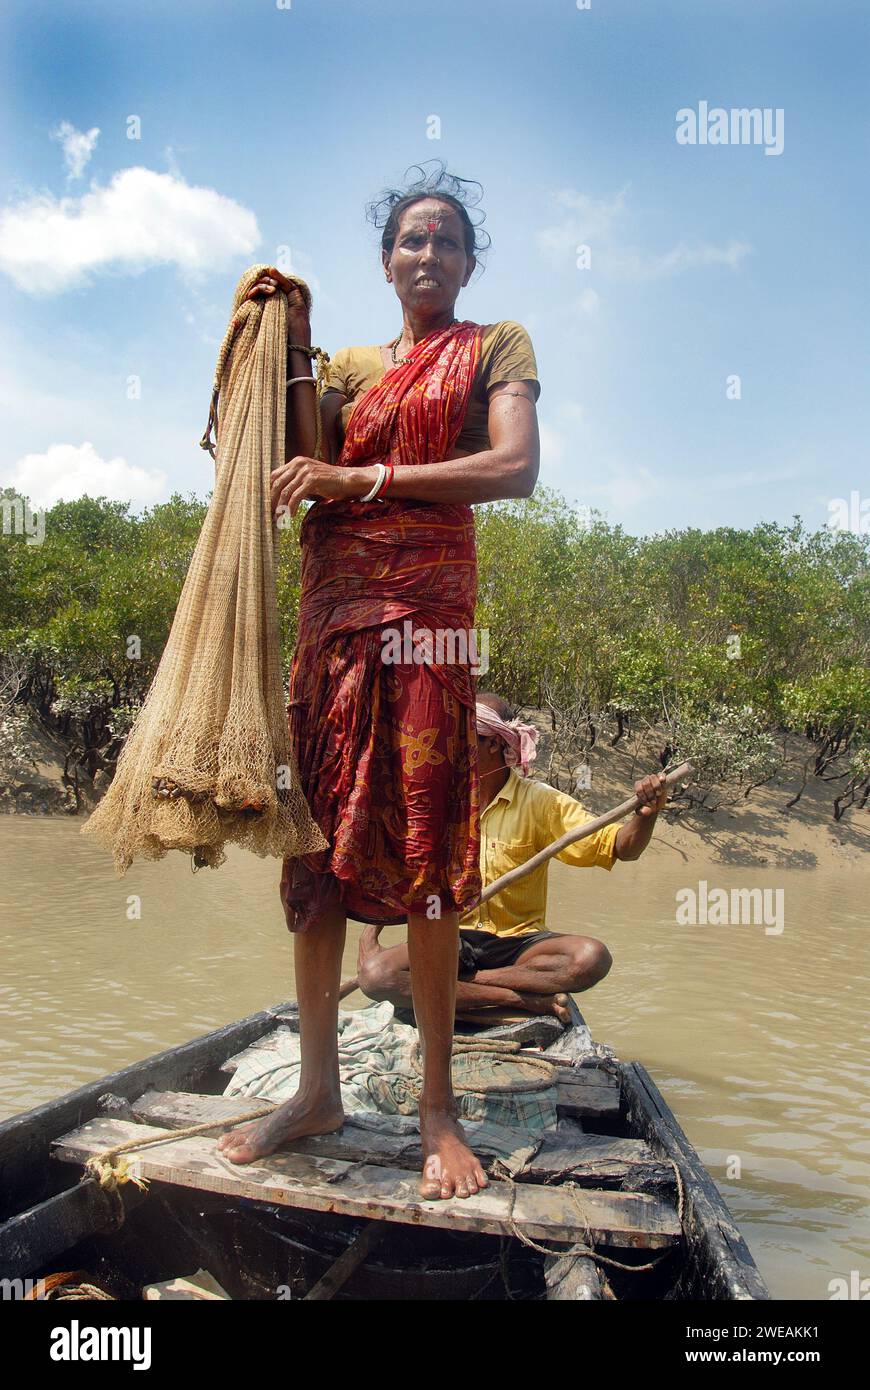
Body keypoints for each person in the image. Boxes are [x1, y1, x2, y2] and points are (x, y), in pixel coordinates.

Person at [217, 164, 541, 1201]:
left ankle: (438, 1110)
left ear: (469, 263)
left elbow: (514, 468)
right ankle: (317, 1091)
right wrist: (290, 341)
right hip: (335, 620)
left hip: (431, 620)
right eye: (411, 239)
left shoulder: (496, 346)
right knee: (316, 849)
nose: (428, 254)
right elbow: (301, 458)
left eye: (447, 241)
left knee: (430, 848)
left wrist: (367, 478)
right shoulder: (352, 365)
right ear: (386, 260)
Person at [357, 691, 668, 1022]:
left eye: (463, 739)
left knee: (591, 958)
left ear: (494, 743)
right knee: (376, 976)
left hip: (522, 947)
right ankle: (520, 1001)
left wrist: (646, 814)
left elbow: (622, 847)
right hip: (452, 939)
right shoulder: (436, 802)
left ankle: (464, 986)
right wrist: (369, 936)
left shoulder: (541, 802)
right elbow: (399, 874)